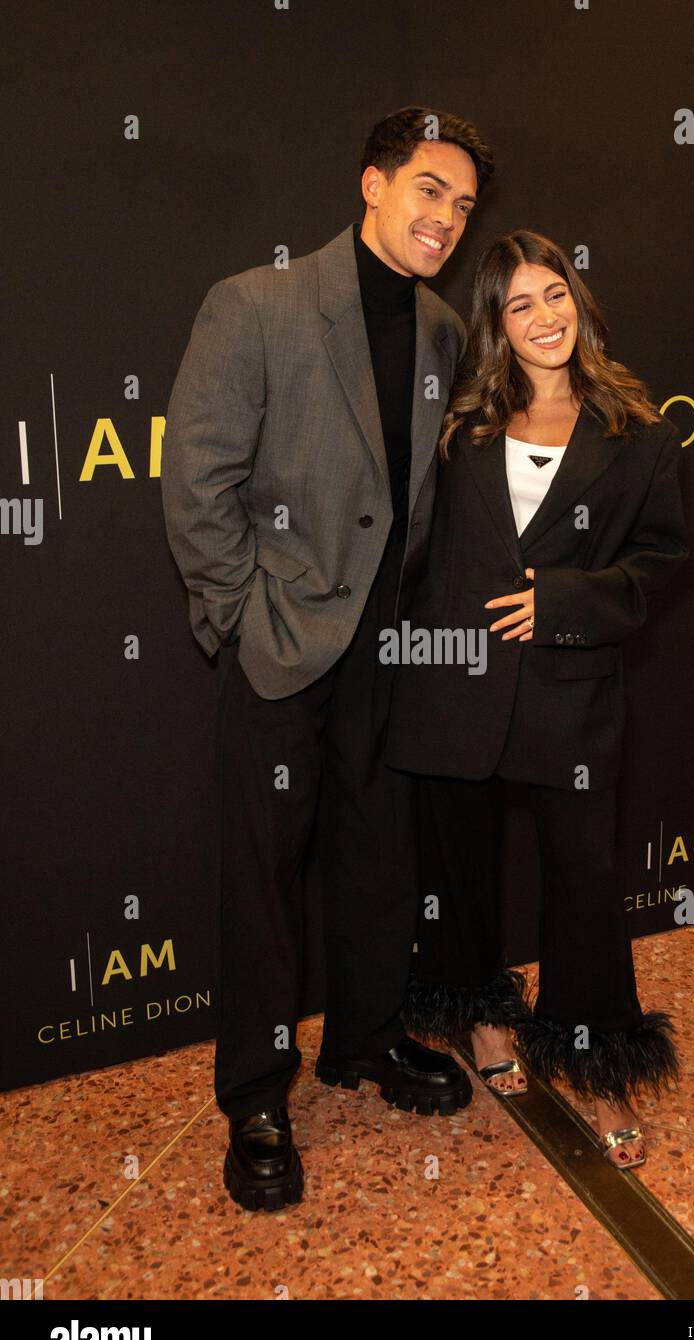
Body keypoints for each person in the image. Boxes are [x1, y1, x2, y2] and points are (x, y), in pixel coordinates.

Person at [160, 107, 495, 1210]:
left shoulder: (445, 331)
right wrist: (242, 620)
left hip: (387, 652)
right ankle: (256, 1093)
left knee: (375, 859)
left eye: (460, 202)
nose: (443, 215)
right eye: (427, 188)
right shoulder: (254, 304)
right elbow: (198, 484)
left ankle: (366, 1037)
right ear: (370, 184)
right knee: (262, 880)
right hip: (281, 643)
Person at [385, 229, 689, 1169]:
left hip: (570, 694)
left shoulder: (638, 434)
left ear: (579, 301)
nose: (544, 317)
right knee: (460, 876)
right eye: (520, 304)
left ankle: (597, 1066)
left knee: (585, 886)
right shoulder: (460, 427)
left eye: (554, 294)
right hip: (455, 689)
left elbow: (660, 566)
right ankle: (482, 1020)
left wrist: (560, 600)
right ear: (498, 324)